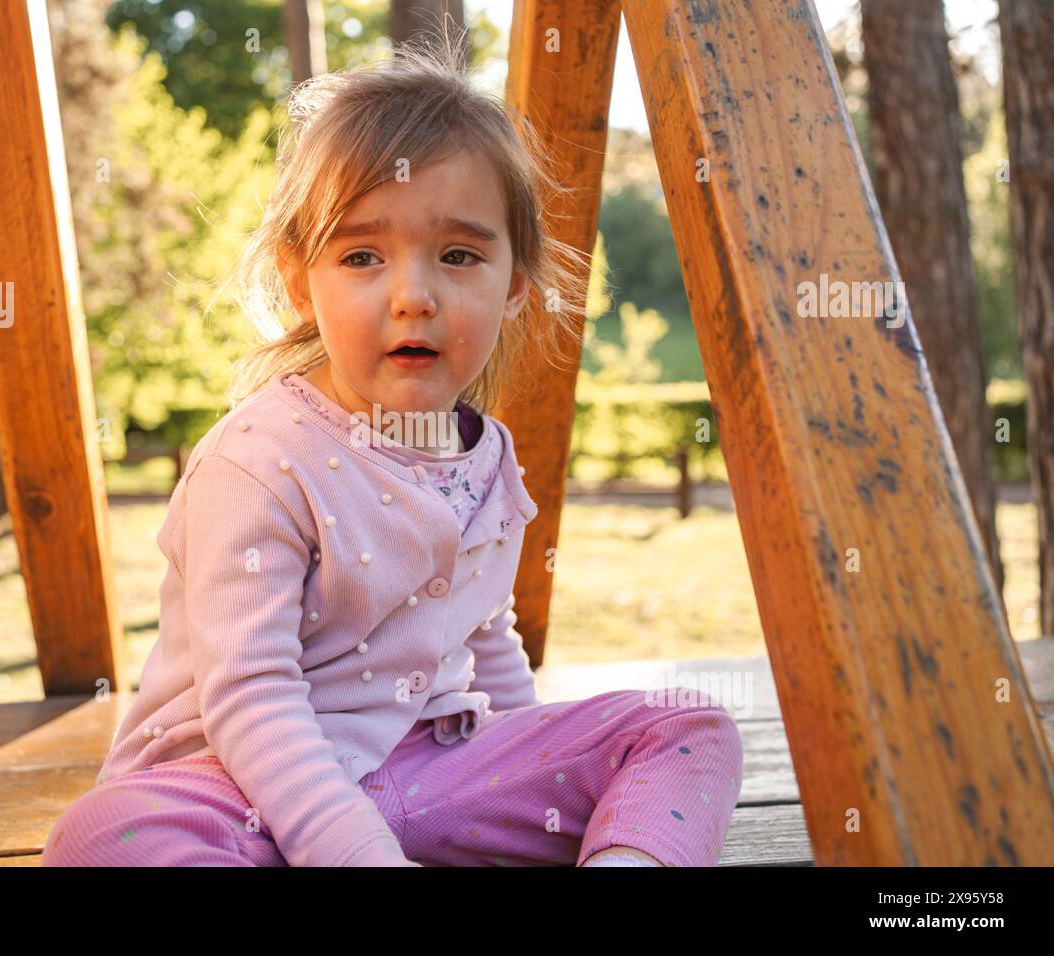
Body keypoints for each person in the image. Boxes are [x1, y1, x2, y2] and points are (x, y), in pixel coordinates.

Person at [42, 32, 743, 868]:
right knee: (99, 837)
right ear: (302, 280)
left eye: (458, 255)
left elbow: (484, 637)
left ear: (515, 280)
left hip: (429, 780)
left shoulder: (487, 456)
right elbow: (250, 697)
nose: (413, 297)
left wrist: (531, 757)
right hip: (240, 788)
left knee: (685, 727)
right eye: (363, 256)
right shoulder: (259, 460)